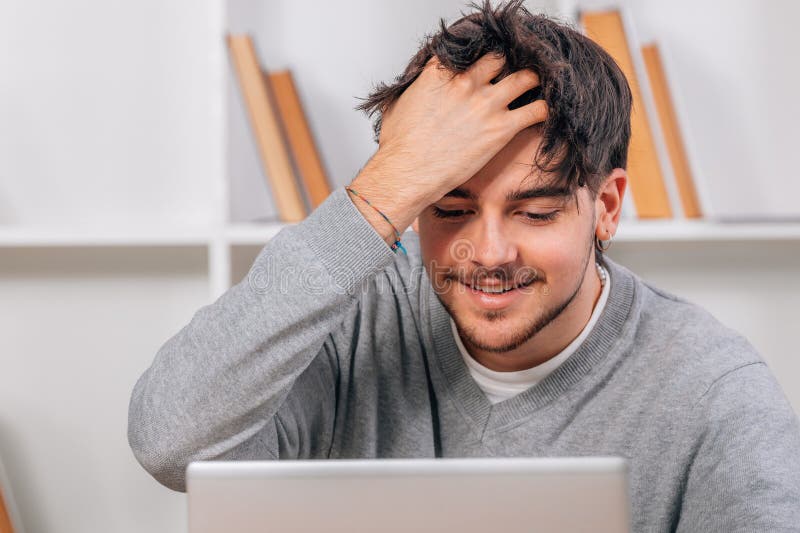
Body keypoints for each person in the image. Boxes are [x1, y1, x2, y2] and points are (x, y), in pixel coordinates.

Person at [127, 1, 800, 530]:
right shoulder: (350, 326)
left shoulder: (712, 390)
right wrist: (383, 188)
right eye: (448, 208)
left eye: (534, 212)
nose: (489, 252)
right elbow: (168, 440)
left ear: (607, 206)